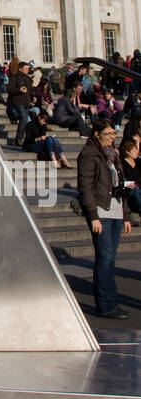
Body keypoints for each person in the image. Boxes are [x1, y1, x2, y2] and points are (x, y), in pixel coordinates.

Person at [77, 117, 133, 319]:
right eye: (107, 134)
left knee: (110, 259)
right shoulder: (89, 155)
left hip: (116, 210)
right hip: (101, 211)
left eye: (113, 133)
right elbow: (86, 187)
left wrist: (126, 216)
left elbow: (122, 185)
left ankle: (111, 302)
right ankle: (106, 305)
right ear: (96, 134)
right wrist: (93, 216)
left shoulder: (113, 155)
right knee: (105, 257)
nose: (111, 137)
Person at [7, 60, 34, 146]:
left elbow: (30, 90)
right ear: (20, 69)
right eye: (25, 68)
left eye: (28, 68)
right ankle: (19, 138)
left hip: (26, 102)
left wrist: (33, 97)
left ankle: (20, 138)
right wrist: (19, 89)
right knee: (23, 118)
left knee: (24, 119)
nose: (27, 70)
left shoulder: (27, 78)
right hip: (18, 101)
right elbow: (9, 89)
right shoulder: (15, 78)